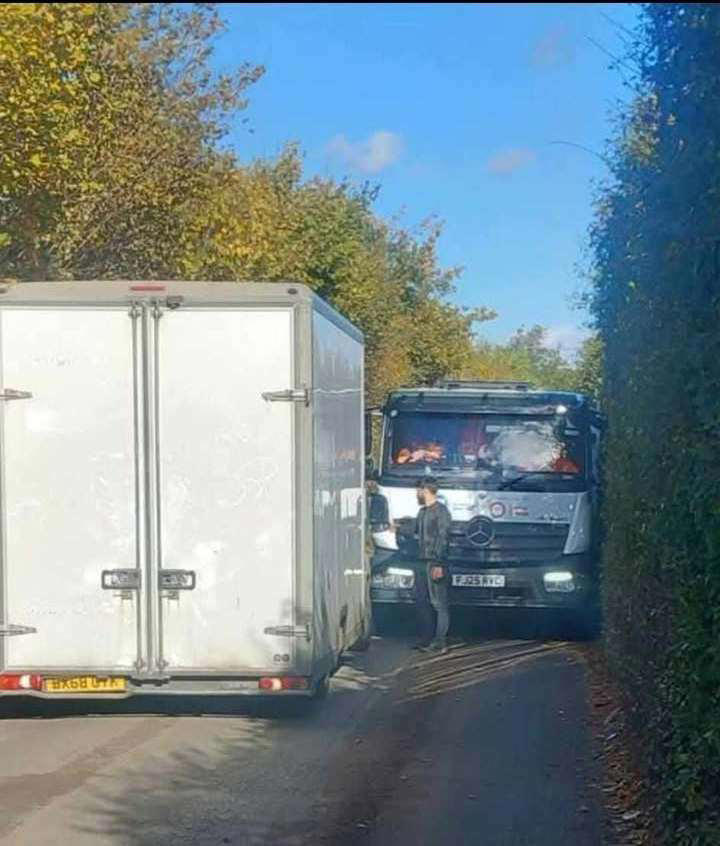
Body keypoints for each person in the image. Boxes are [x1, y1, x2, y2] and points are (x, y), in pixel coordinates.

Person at [413, 477, 452, 654]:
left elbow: (443, 539)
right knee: (422, 601)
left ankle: (440, 642)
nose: (416, 494)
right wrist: (397, 526)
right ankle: (426, 639)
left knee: (439, 603)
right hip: (422, 562)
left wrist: (439, 564)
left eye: (418, 491)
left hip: (434, 562)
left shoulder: (441, 512)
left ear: (426, 490)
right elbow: (414, 530)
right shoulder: (422, 512)